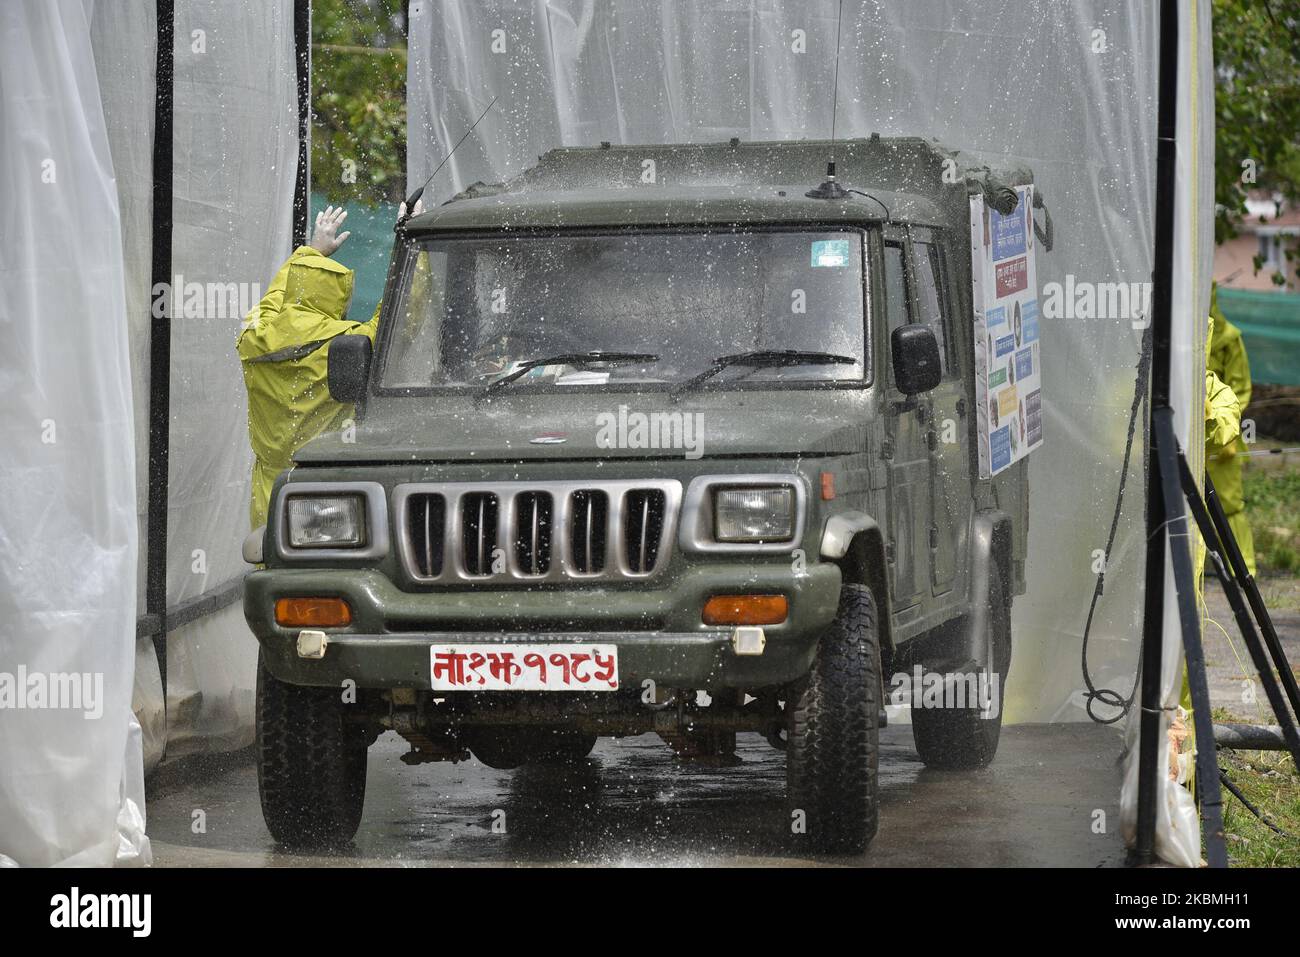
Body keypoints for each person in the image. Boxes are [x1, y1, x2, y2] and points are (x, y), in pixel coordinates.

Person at [237, 201, 420, 528]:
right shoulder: (348, 343)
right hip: (322, 492)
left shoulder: (255, 336)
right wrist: (413, 247)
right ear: (337, 296)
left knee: (267, 556)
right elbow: (401, 317)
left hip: (268, 489)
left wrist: (310, 253)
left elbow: (275, 299)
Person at [1206, 282, 1256, 574]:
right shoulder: (1181, 336)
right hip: (1190, 431)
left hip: (1223, 432)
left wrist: (1228, 432)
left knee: (1228, 503)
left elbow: (1239, 389)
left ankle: (1242, 567)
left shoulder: (1229, 339)